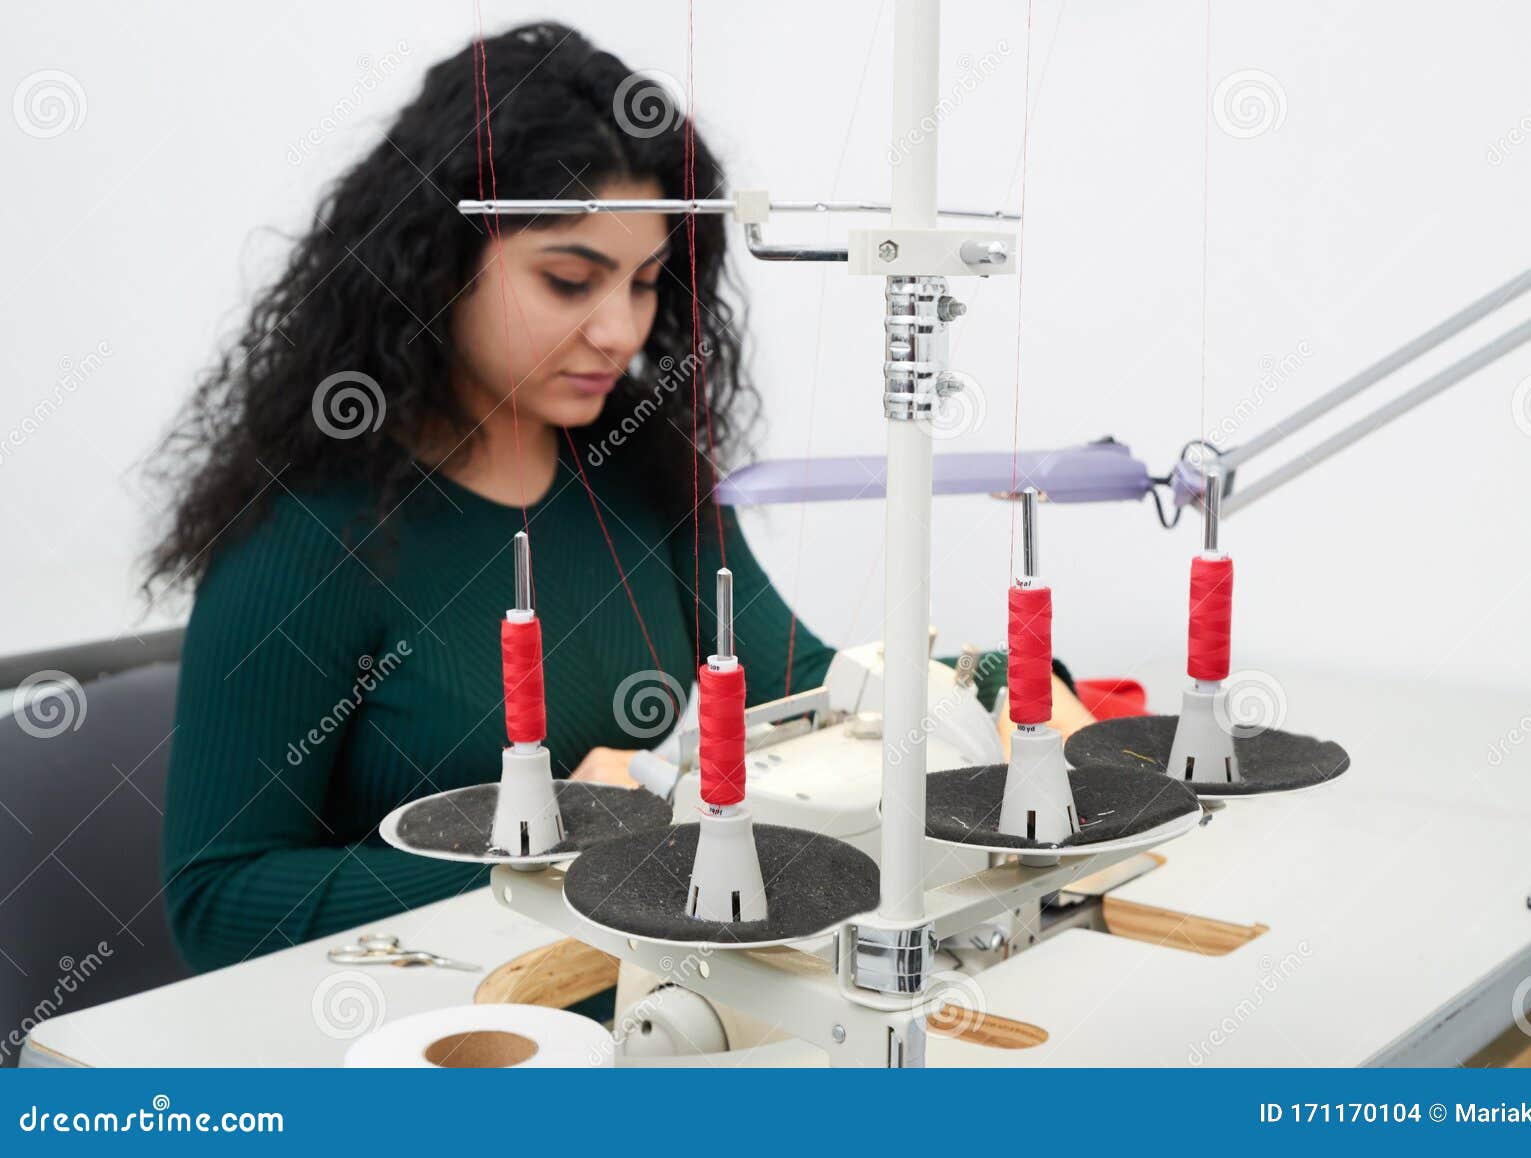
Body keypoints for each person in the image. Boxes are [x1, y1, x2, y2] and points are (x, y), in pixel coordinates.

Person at [148, 21, 1089, 975]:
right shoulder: (309, 538)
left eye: (645, 284)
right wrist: (558, 847)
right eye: (568, 281)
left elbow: (806, 685)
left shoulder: (642, 471)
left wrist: (1007, 687)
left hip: (647, 993)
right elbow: (218, 900)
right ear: (434, 265)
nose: (618, 330)